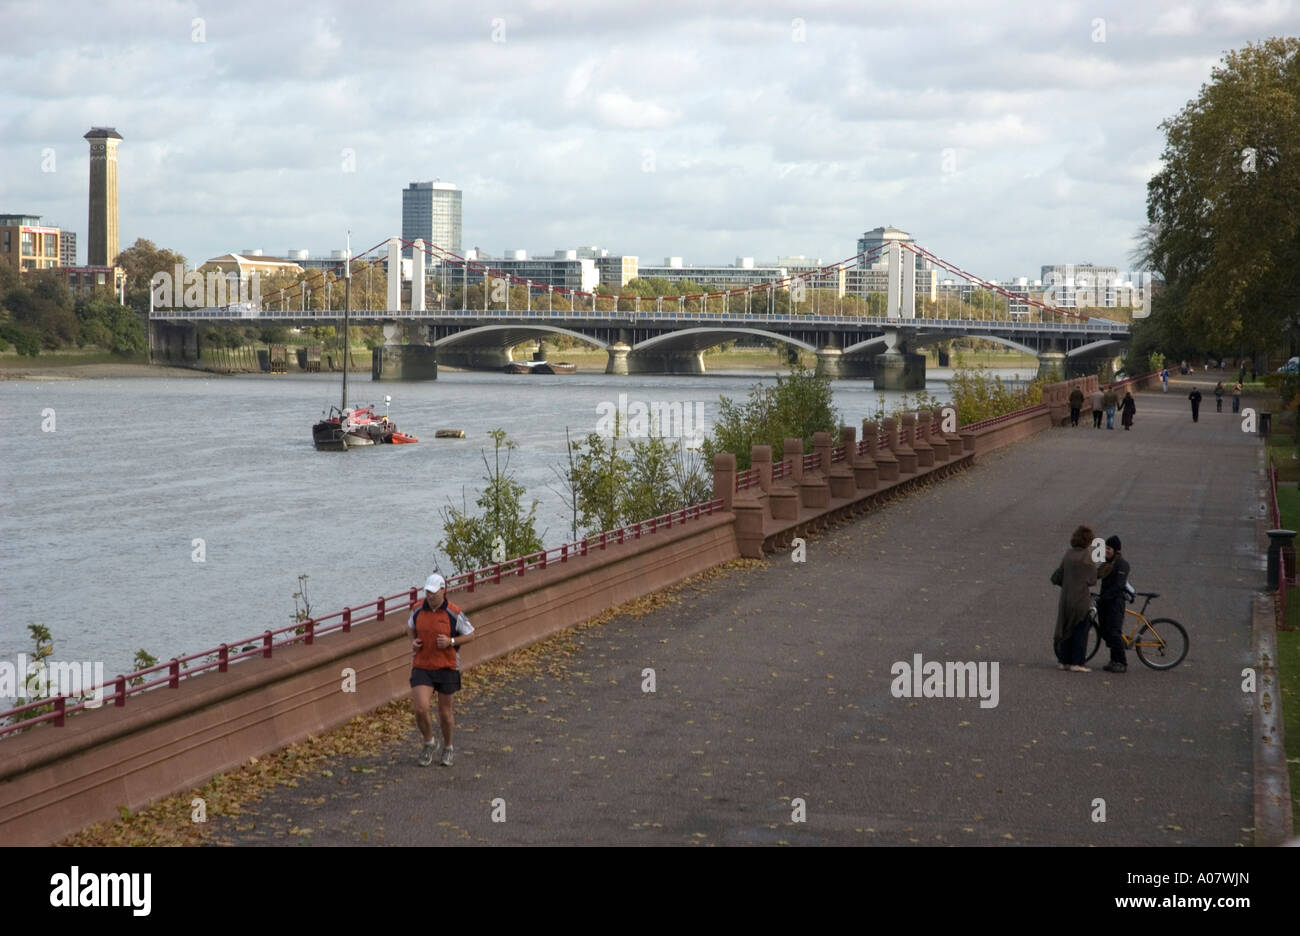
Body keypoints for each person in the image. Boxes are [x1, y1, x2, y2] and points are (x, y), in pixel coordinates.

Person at [408, 573, 476, 767]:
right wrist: (413, 641)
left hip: (447, 666)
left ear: (443, 590)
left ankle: (448, 747)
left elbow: (471, 634)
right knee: (420, 708)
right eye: (427, 592)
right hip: (422, 664)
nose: (430, 596)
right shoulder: (418, 609)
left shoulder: (453, 612)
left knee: (445, 713)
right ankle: (429, 742)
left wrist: (451, 641)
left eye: (433, 593)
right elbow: (409, 627)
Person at [1052, 525, 1098, 671]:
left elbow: (1059, 575)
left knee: (1066, 630)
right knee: (1080, 631)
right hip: (1080, 600)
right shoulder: (1086, 557)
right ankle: (1077, 663)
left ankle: (1064, 660)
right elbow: (1092, 579)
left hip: (1066, 598)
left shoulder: (1068, 554)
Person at [1095, 535, 1130, 673]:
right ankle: (1113, 660)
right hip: (1104, 603)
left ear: (1116, 550)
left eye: (1108, 548)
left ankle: (1121, 662)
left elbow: (1119, 586)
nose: (1106, 550)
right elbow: (1097, 575)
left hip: (1115, 603)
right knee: (1106, 632)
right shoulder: (1107, 563)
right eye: (1105, 547)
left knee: (1114, 632)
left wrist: (1103, 597)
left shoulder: (1122, 565)